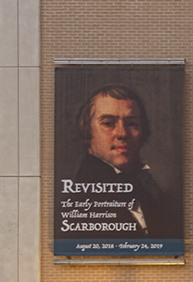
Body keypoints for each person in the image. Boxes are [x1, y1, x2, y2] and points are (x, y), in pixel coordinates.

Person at [61, 84, 182, 242]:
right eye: (108, 123)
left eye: (132, 124)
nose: (122, 133)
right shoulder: (78, 203)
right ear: (87, 133)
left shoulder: (149, 192)